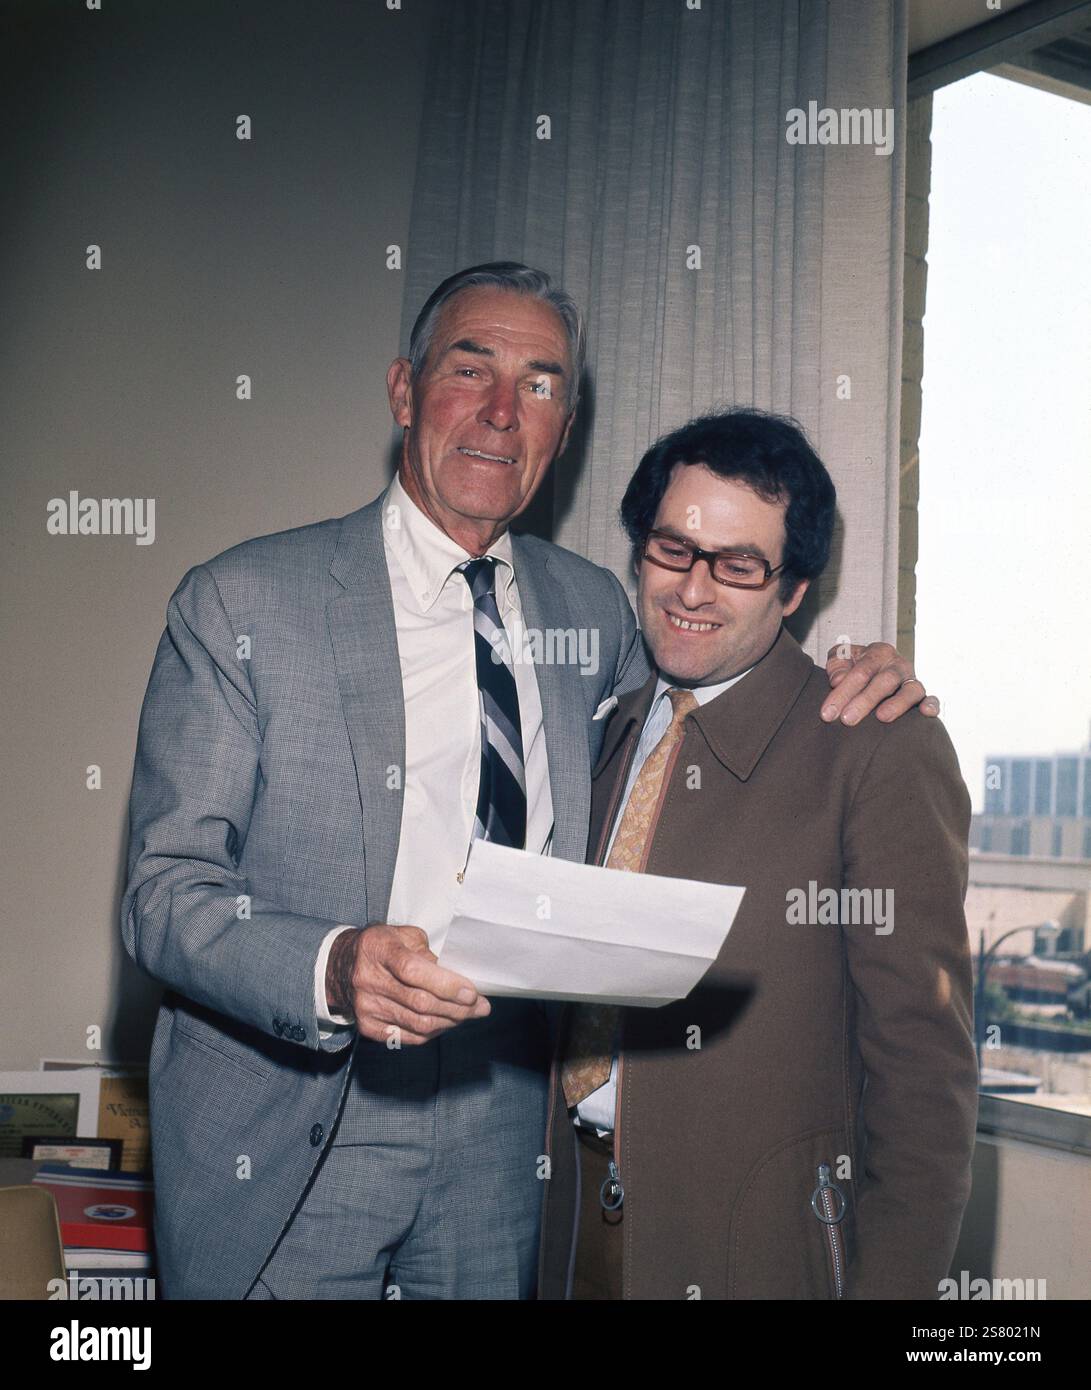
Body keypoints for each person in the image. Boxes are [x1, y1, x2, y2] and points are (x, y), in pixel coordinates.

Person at [121, 266, 936, 1300]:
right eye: (471, 369)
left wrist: (861, 668)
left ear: (564, 426)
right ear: (404, 391)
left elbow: (718, 702)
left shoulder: (595, 608)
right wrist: (333, 967)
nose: (502, 412)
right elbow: (163, 894)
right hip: (296, 1127)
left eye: (541, 384)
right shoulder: (241, 601)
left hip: (508, 1134)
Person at [538, 408, 978, 1300]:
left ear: (793, 590)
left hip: (759, 1251)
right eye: (672, 549)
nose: (693, 590)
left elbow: (923, 1079)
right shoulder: (597, 728)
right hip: (563, 1228)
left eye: (738, 566)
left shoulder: (875, 746)